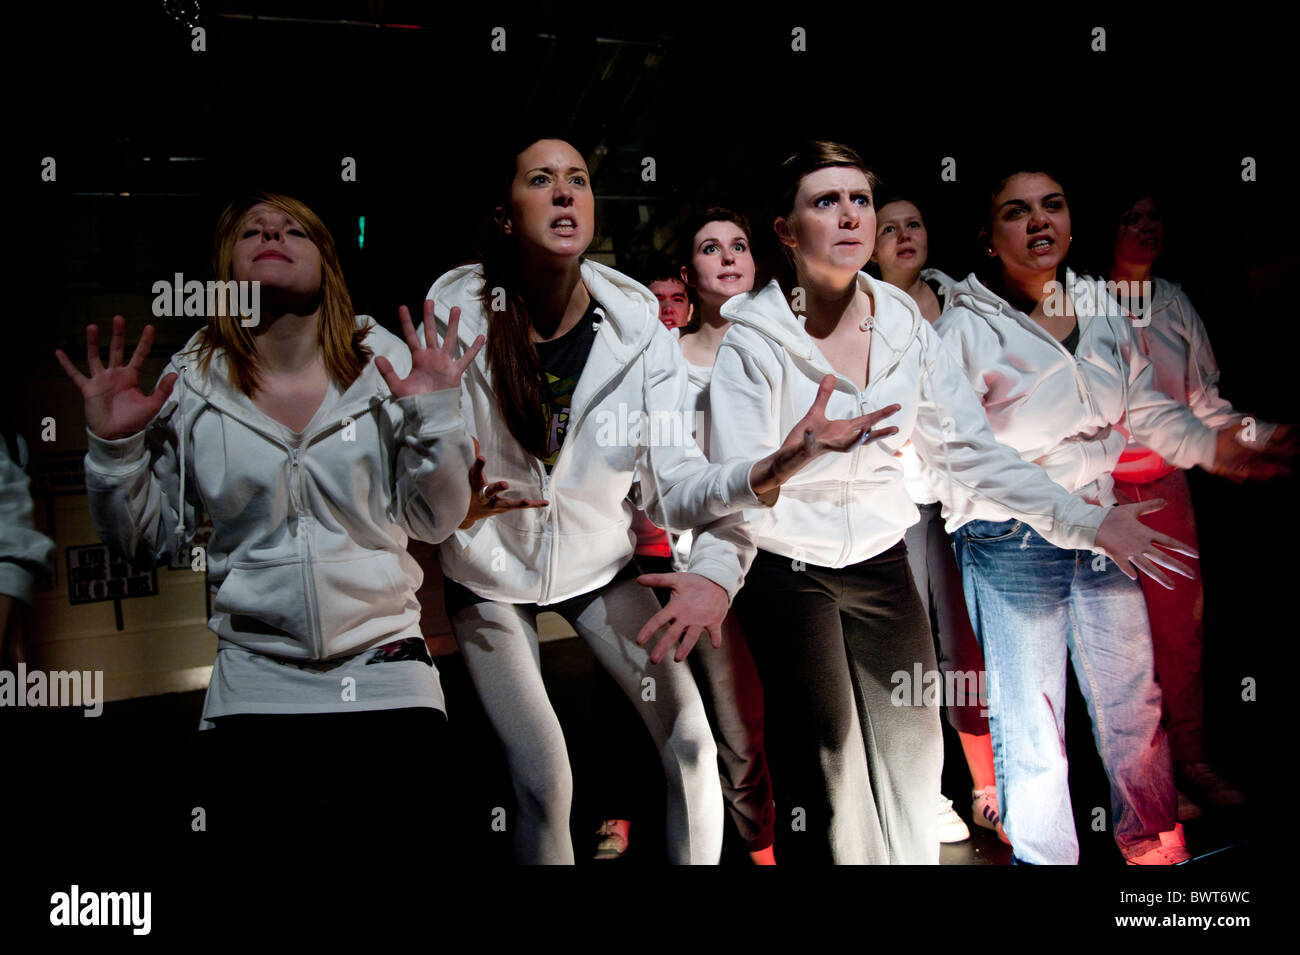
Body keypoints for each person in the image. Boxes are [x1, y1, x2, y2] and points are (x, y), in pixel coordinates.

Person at [424, 136, 897, 865]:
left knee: (694, 748)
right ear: (505, 214)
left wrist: (775, 463)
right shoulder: (456, 311)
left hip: (601, 563)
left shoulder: (638, 323)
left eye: (577, 180)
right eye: (541, 180)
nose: (563, 193)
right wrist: (454, 485)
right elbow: (430, 501)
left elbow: (675, 484)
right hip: (489, 573)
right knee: (546, 778)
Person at [709, 141, 1181, 866]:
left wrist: (1087, 518)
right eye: (825, 201)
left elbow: (968, 449)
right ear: (784, 226)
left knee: (913, 756)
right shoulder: (752, 337)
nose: (850, 214)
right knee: (833, 763)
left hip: (882, 558)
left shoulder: (901, 318)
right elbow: (728, 487)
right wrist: (721, 562)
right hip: (789, 565)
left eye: (859, 198)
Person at [55, 191, 479, 844]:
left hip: (391, 679)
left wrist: (438, 415)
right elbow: (148, 540)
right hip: (253, 691)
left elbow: (435, 519)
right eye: (252, 230)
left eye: (294, 229)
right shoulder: (190, 380)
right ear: (227, 271)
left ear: (327, 263)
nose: (272, 232)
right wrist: (114, 451)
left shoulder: (385, 360)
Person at [936, 164, 1290, 864]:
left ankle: (1155, 850)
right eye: (1017, 211)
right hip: (1011, 533)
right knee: (1034, 728)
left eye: (1053, 205)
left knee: (1135, 705)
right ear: (986, 237)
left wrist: (1218, 445)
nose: (1040, 221)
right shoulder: (960, 329)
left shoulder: (1096, 300)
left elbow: (1143, 404)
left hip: (1102, 520)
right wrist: (1084, 520)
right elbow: (969, 458)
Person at [1106, 190, 1291, 817]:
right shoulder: (1078, 304)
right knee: (1120, 643)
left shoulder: (1174, 302)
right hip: (1098, 494)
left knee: (1181, 634)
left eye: (1156, 216)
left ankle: (1191, 761)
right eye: (1133, 217)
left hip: (1165, 487)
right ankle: (1144, 784)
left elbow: (1204, 407)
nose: (1147, 227)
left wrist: (1258, 437)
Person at [871, 193, 1005, 844]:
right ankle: (924, 794)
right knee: (914, 650)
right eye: (887, 228)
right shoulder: (860, 317)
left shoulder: (969, 302)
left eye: (913, 223)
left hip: (976, 499)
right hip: (904, 504)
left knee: (970, 646)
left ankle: (989, 787)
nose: (903, 236)